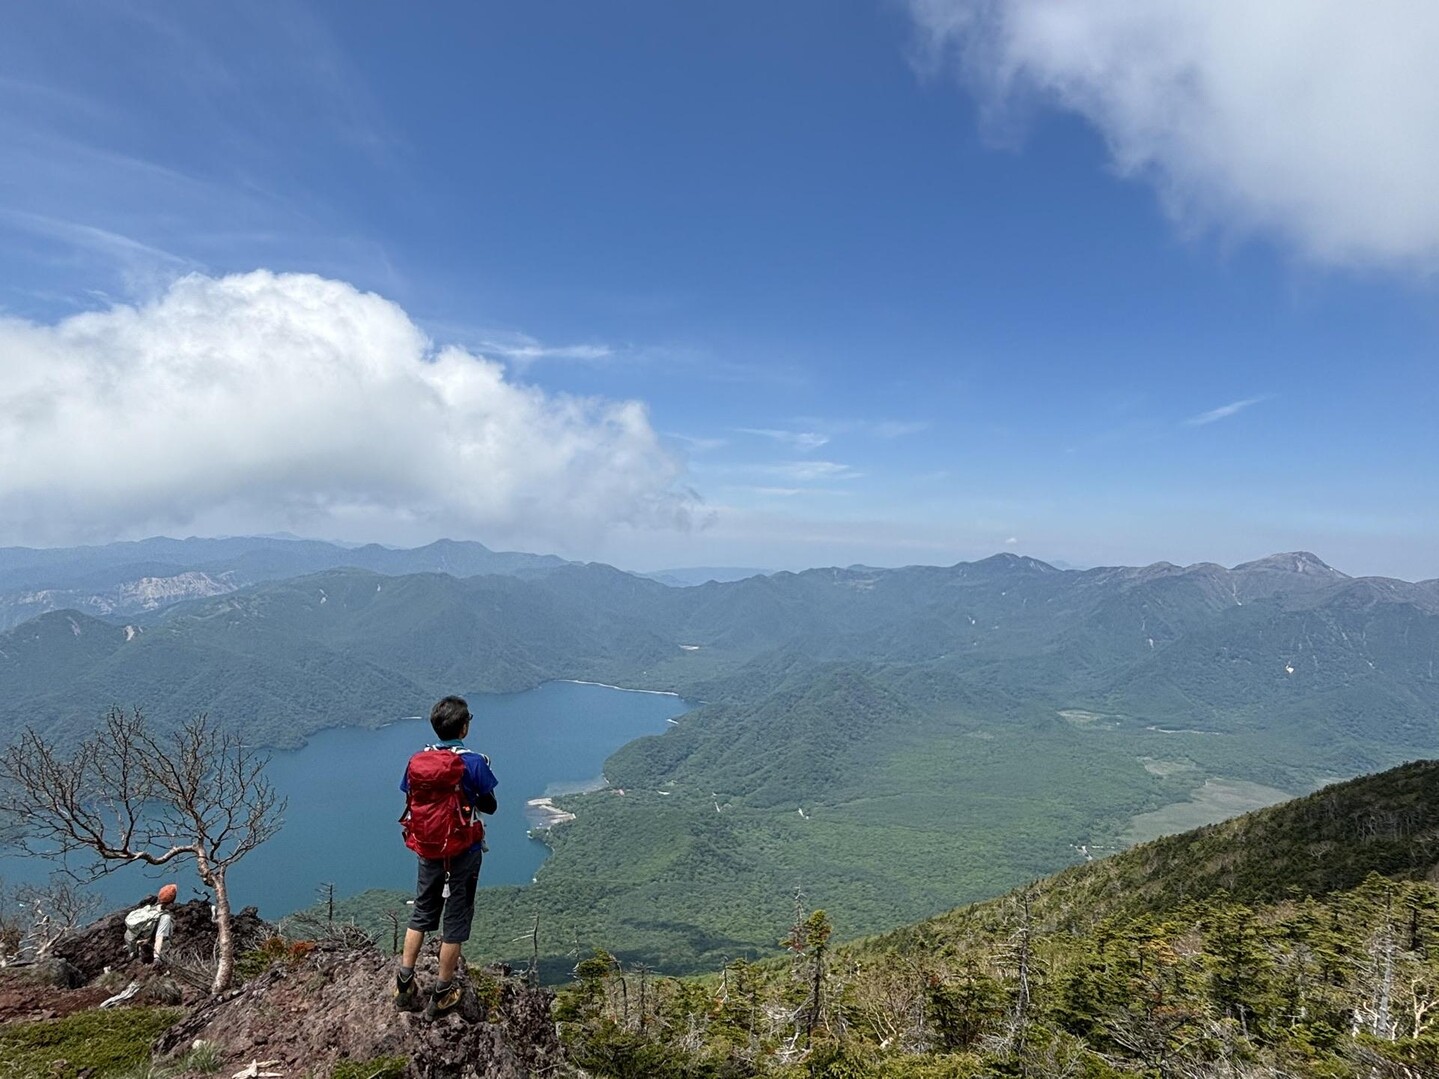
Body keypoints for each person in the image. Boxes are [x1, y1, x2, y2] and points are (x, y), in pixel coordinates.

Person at [395, 695, 498, 1020]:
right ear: (465, 727)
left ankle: (404, 983)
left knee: (423, 911)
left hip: (427, 847)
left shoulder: (419, 760)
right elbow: (491, 806)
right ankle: (441, 993)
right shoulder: (473, 762)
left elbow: (409, 795)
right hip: (463, 850)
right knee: (456, 919)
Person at [123, 882, 177, 965]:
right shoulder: (165, 917)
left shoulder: (149, 909)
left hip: (139, 938)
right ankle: (152, 954)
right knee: (167, 943)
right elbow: (160, 937)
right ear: (172, 901)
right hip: (152, 944)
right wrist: (157, 957)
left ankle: (136, 951)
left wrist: (132, 950)